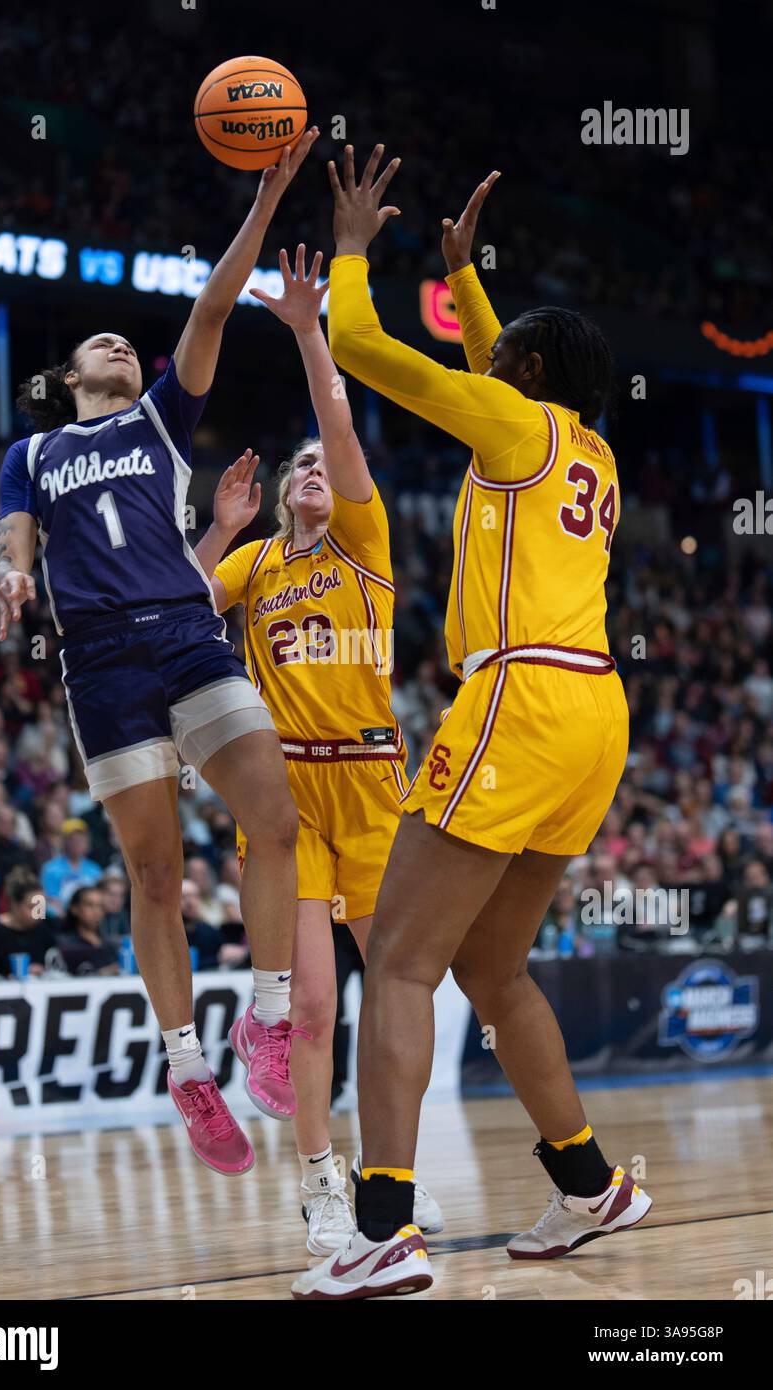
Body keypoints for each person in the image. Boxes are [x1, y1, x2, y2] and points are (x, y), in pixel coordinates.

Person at [293, 149, 650, 1299]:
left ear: (526, 371)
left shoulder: (510, 425)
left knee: (396, 964)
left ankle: (382, 1231)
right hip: (593, 713)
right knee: (494, 969)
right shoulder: (581, 446)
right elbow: (498, 365)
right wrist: (458, 272)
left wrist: (353, 252)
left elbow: (362, 347)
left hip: (519, 700)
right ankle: (590, 1183)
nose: (478, 354)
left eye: (495, 352)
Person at [0, 130, 319, 1178]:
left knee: (274, 822)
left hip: (188, 637)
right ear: (68, 374)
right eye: (99, 345)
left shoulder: (161, 420)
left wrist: (263, 205)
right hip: (100, 663)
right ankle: (187, 1071)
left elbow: (213, 305)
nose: (118, 348)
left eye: (126, 345)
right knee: (155, 874)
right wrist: (7, 573)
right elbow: (15, 537)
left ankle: (264, 1017)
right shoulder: (31, 452)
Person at [197, 245, 441, 1254]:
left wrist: (308, 330)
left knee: (396, 994)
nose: (308, 472)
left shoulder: (365, 541)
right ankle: (320, 1189)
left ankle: (389, 1181)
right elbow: (171, 608)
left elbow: (337, 427)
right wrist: (217, 528)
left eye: (317, 468)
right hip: (288, 800)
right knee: (309, 1007)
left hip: (373, 793)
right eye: (294, 464)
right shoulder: (253, 564)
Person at [40, 818, 103, 917]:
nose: (77, 844)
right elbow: (50, 900)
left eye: (81, 839)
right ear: (64, 842)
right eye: (73, 840)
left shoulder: (94, 869)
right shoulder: (50, 869)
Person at [59, 886, 119, 974]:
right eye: (90, 905)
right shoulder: (64, 944)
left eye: (100, 906)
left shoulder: (110, 945)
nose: (97, 911)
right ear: (74, 908)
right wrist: (100, 973)